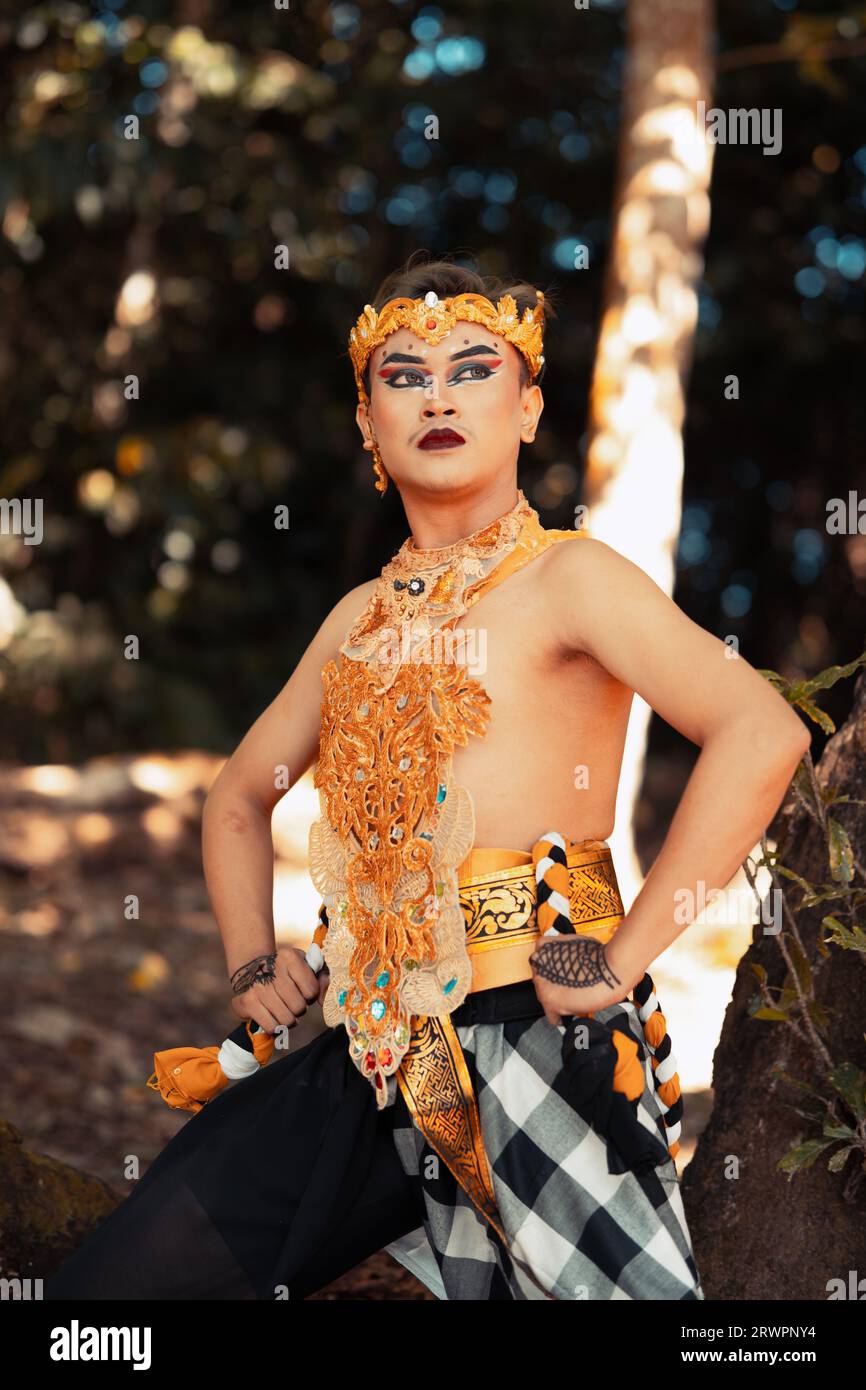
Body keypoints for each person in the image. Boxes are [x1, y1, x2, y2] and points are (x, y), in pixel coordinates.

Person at [45, 255, 810, 1302]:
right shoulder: (355, 617)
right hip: (365, 1054)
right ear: (367, 424)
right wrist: (248, 969)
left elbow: (760, 731)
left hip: (534, 1035)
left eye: (472, 367)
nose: (438, 394)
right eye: (402, 374)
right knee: (113, 1295)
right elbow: (236, 796)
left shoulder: (569, 576)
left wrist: (620, 962)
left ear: (529, 407)